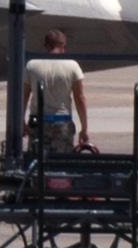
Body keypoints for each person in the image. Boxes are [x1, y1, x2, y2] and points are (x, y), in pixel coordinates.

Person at [17, 23, 88, 155]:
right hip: (62, 120)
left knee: (36, 164)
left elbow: (24, 96)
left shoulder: (32, 65)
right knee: (61, 165)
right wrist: (84, 128)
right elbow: (80, 98)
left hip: (36, 120)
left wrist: (21, 121)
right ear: (63, 46)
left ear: (46, 46)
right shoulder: (72, 65)